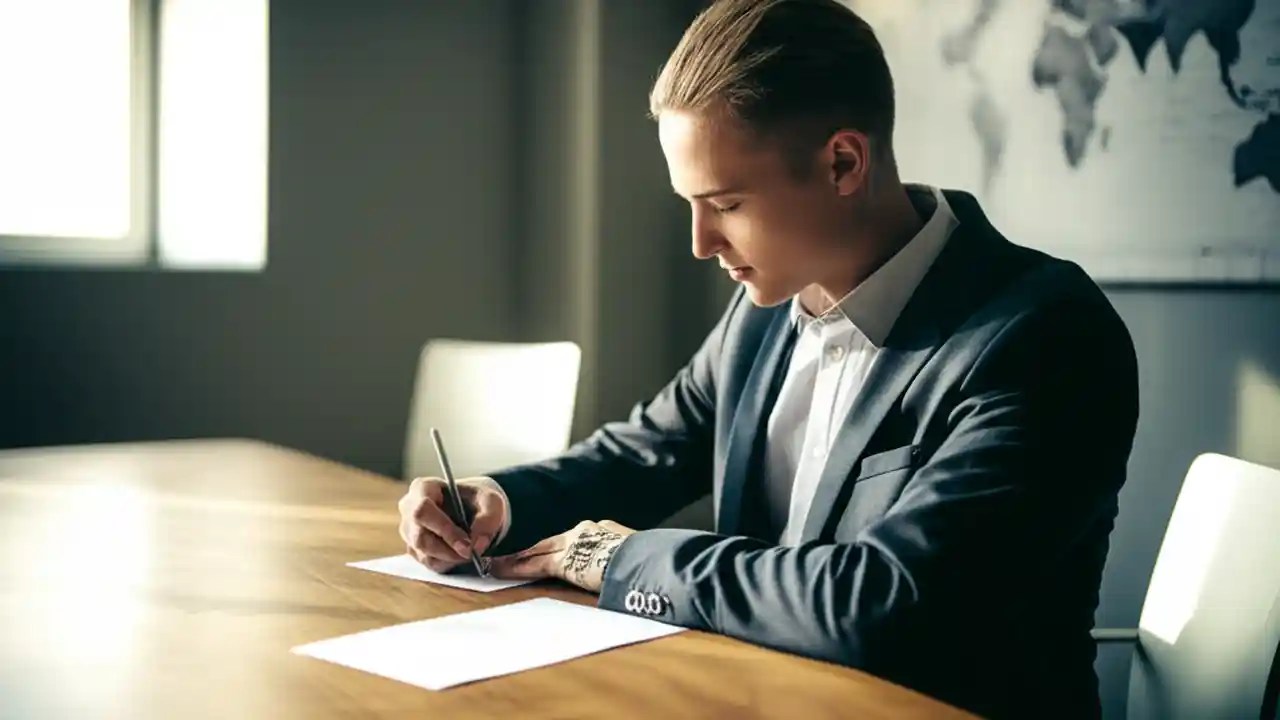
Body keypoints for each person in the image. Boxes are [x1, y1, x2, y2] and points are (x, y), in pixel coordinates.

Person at [396, 0, 1138, 717]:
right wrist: (497, 501)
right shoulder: (766, 314)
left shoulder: (1044, 336)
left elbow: (885, 603)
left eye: (726, 204)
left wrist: (628, 562)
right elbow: (643, 455)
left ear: (844, 163)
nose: (700, 243)